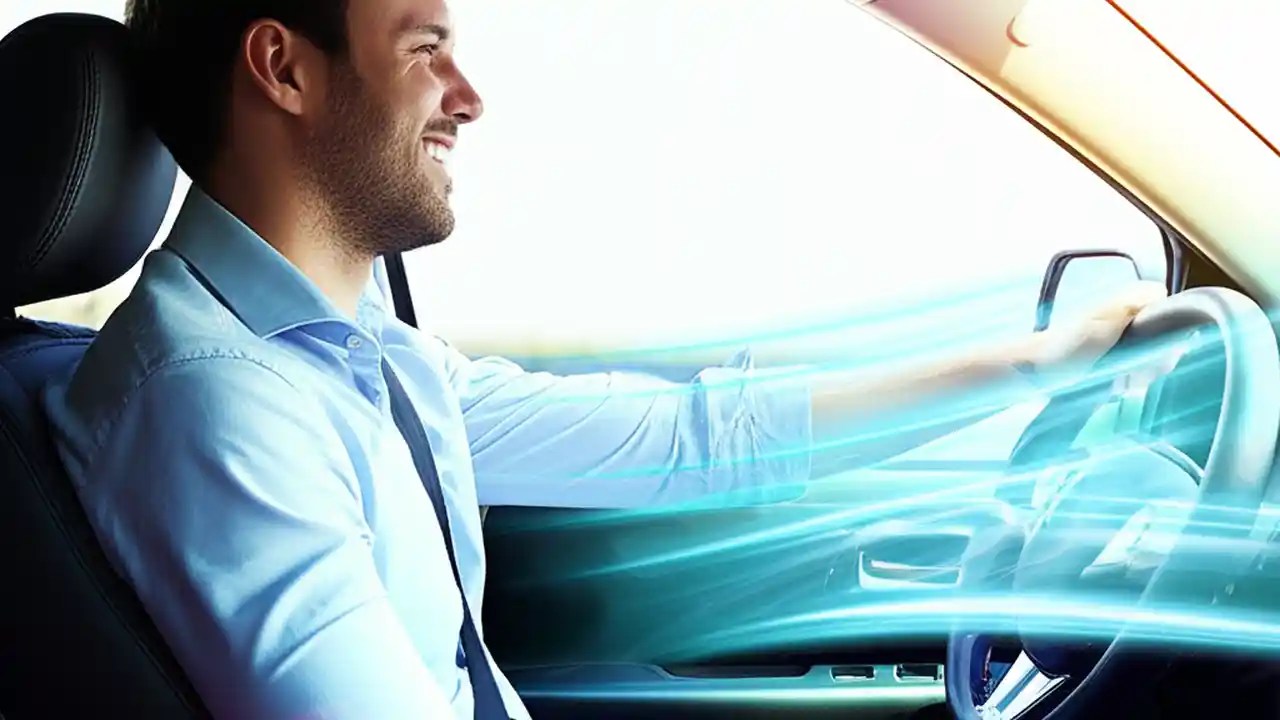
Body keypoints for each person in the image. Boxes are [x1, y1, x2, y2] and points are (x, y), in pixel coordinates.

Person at [42, 0, 1166, 718]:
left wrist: (1033, 368)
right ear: (284, 69)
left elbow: (695, 439)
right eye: (426, 48)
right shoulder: (215, 409)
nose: (468, 99)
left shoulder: (354, 357)